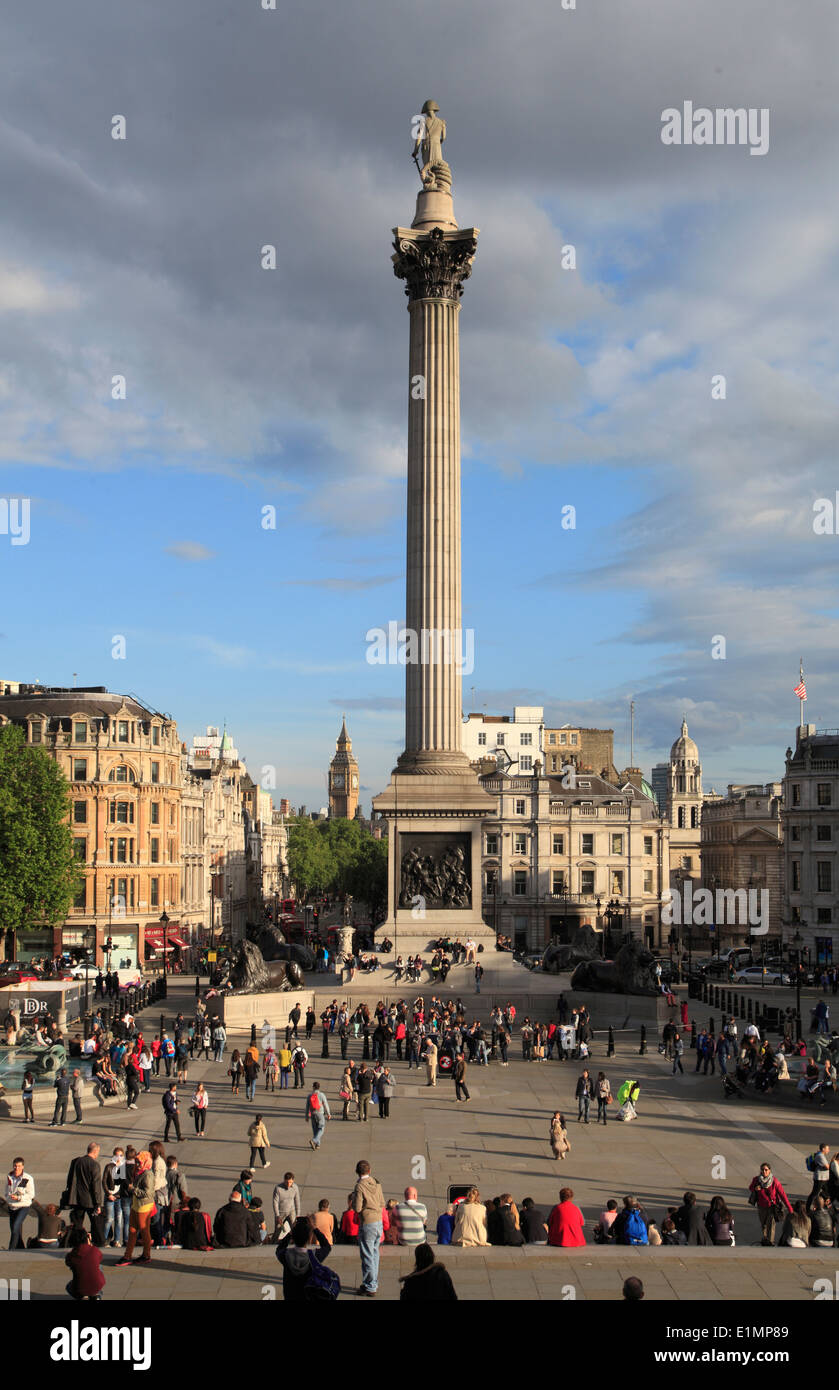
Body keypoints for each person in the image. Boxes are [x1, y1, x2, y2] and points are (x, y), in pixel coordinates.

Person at [276, 1215, 332, 1301]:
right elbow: (327, 1247)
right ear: (309, 1238)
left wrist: (291, 1232)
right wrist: (314, 1228)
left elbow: (279, 1249)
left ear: (293, 1238)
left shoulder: (286, 1255)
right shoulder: (314, 1256)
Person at [352, 1160, 386, 1296]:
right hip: (378, 1222)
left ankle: (370, 1286)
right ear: (369, 1170)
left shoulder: (359, 1186)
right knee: (375, 1254)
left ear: (357, 1171)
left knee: (367, 1256)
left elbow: (358, 1207)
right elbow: (382, 1202)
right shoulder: (377, 1183)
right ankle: (372, 1282)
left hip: (367, 1223)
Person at [117, 1150, 155, 1265]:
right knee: (132, 1230)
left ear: (146, 1162)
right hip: (136, 1205)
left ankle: (146, 1255)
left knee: (144, 1231)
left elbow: (148, 1193)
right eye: (137, 1162)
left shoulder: (147, 1174)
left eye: (139, 1162)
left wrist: (133, 1189)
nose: (137, 1164)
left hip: (143, 1206)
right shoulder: (139, 1172)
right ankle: (127, 1255)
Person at [62, 1142, 103, 1244]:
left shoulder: (76, 1161)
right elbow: (96, 1186)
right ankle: (99, 1243)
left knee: (77, 1224)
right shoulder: (94, 1165)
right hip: (90, 1200)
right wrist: (98, 1203)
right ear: (96, 1151)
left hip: (76, 1198)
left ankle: (77, 1242)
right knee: (96, 1224)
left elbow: (69, 1180)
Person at [748, 1162, 793, 1246]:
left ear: (769, 1171)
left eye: (766, 1170)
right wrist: (755, 1188)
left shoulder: (774, 1181)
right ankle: (765, 1239)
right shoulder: (756, 1180)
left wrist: (790, 1209)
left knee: (771, 1224)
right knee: (763, 1224)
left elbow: (783, 1195)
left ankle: (770, 1241)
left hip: (772, 1207)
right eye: (762, 1170)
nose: (764, 1171)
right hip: (761, 1206)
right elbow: (750, 1187)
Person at [65, 1228, 105, 1301]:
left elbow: (68, 1263)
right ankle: (96, 1294)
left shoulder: (72, 1255)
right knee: (99, 1266)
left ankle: (82, 1296)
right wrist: (90, 1244)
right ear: (87, 1238)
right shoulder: (95, 1250)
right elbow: (100, 1258)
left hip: (80, 1288)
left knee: (68, 1286)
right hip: (98, 1285)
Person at [5, 1158, 35, 1250]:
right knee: (15, 1230)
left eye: (19, 1166)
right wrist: (8, 1197)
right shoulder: (10, 1176)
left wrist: (19, 1198)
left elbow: (31, 1194)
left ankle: (11, 1249)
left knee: (15, 1227)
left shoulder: (27, 1178)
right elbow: (7, 1190)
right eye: (15, 1166)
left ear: (22, 1167)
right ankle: (21, 1248)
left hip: (23, 1206)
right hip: (12, 1206)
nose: (16, 1168)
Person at [272, 1172, 301, 1242]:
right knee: (277, 1230)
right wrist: (277, 1215)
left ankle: (296, 1244)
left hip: (292, 1212)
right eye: (287, 1182)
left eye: (290, 1182)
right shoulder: (278, 1188)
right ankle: (273, 1244)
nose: (289, 1184)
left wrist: (298, 1215)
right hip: (281, 1213)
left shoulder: (295, 1187)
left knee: (295, 1230)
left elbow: (297, 1201)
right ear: (284, 1180)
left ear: (293, 1181)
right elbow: (275, 1202)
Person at [306, 1081, 331, 1149]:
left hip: (313, 1114)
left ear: (313, 1087)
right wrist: (328, 1113)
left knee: (315, 1129)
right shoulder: (321, 1095)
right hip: (320, 1113)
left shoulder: (310, 1095)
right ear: (319, 1087)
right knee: (321, 1129)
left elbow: (307, 1107)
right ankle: (314, 1140)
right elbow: (325, 1104)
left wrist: (307, 1116)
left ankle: (317, 1144)